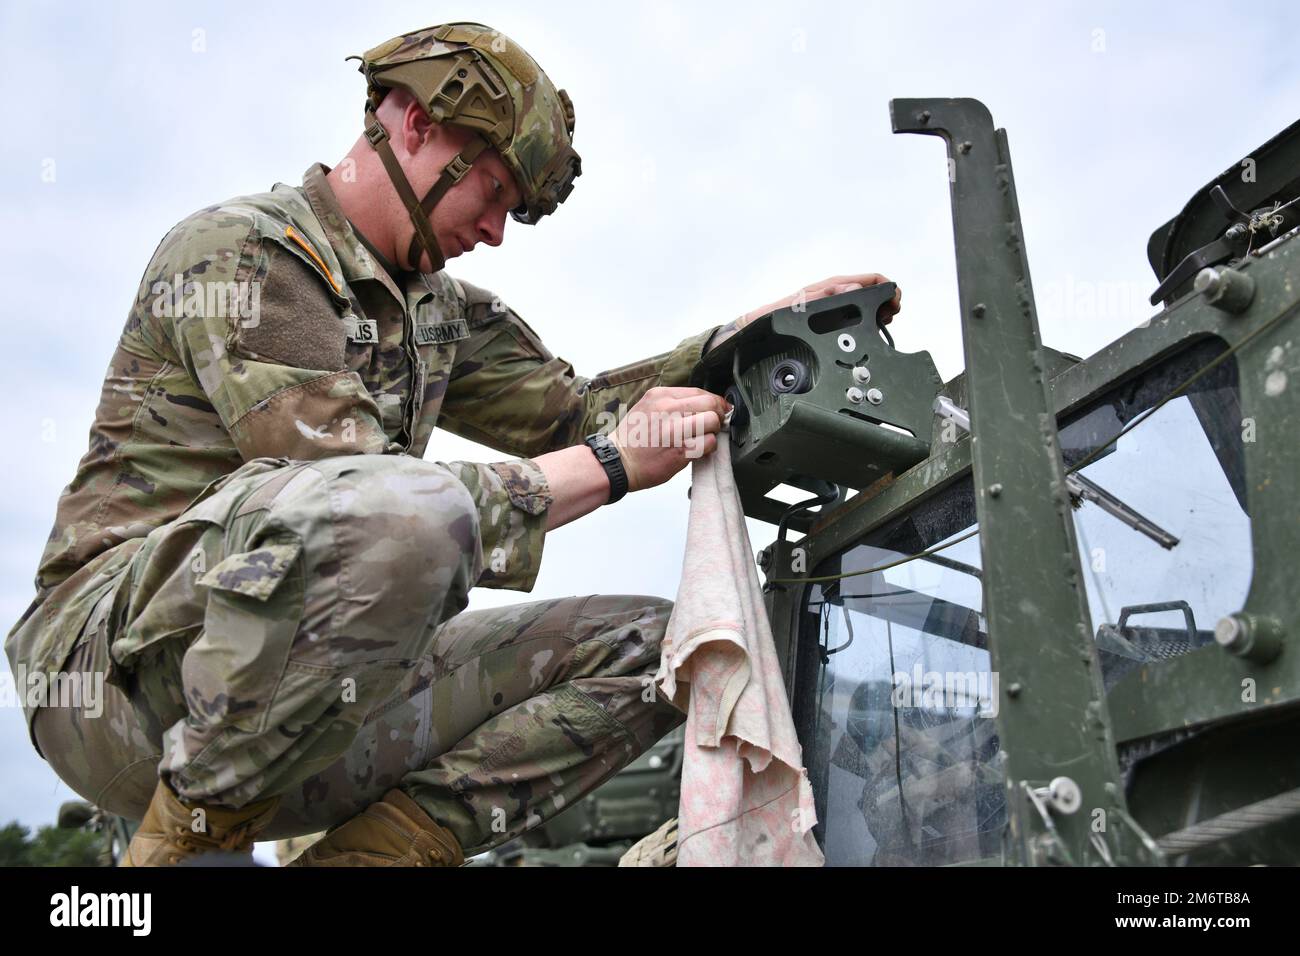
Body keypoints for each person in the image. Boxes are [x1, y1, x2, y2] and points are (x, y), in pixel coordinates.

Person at [6, 21, 901, 867]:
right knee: (403, 513)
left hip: (319, 704)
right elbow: (359, 497)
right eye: (493, 191)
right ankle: (182, 853)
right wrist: (617, 466)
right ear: (420, 127)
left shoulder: (439, 308)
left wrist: (755, 337)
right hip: (113, 686)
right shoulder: (241, 257)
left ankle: (370, 857)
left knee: (668, 653)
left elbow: (576, 412)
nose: (495, 231)